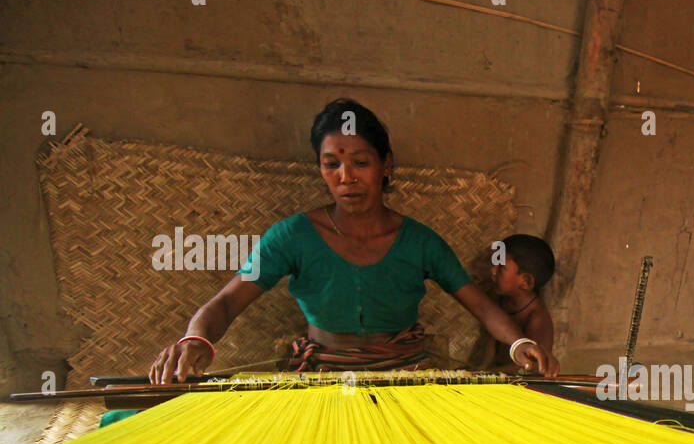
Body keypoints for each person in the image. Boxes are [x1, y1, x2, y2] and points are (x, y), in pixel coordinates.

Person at [148, 98, 558, 385]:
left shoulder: (420, 243)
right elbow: (226, 302)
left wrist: (520, 343)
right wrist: (195, 340)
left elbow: (481, 304)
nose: (346, 177)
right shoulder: (291, 237)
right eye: (332, 164)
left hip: (406, 374)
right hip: (321, 373)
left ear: (386, 165)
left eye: (361, 162)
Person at [477, 234, 555, 370]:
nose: (492, 271)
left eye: (500, 267)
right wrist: (482, 369)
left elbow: (528, 367)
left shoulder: (536, 318)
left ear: (526, 282)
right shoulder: (502, 301)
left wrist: (485, 375)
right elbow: (491, 344)